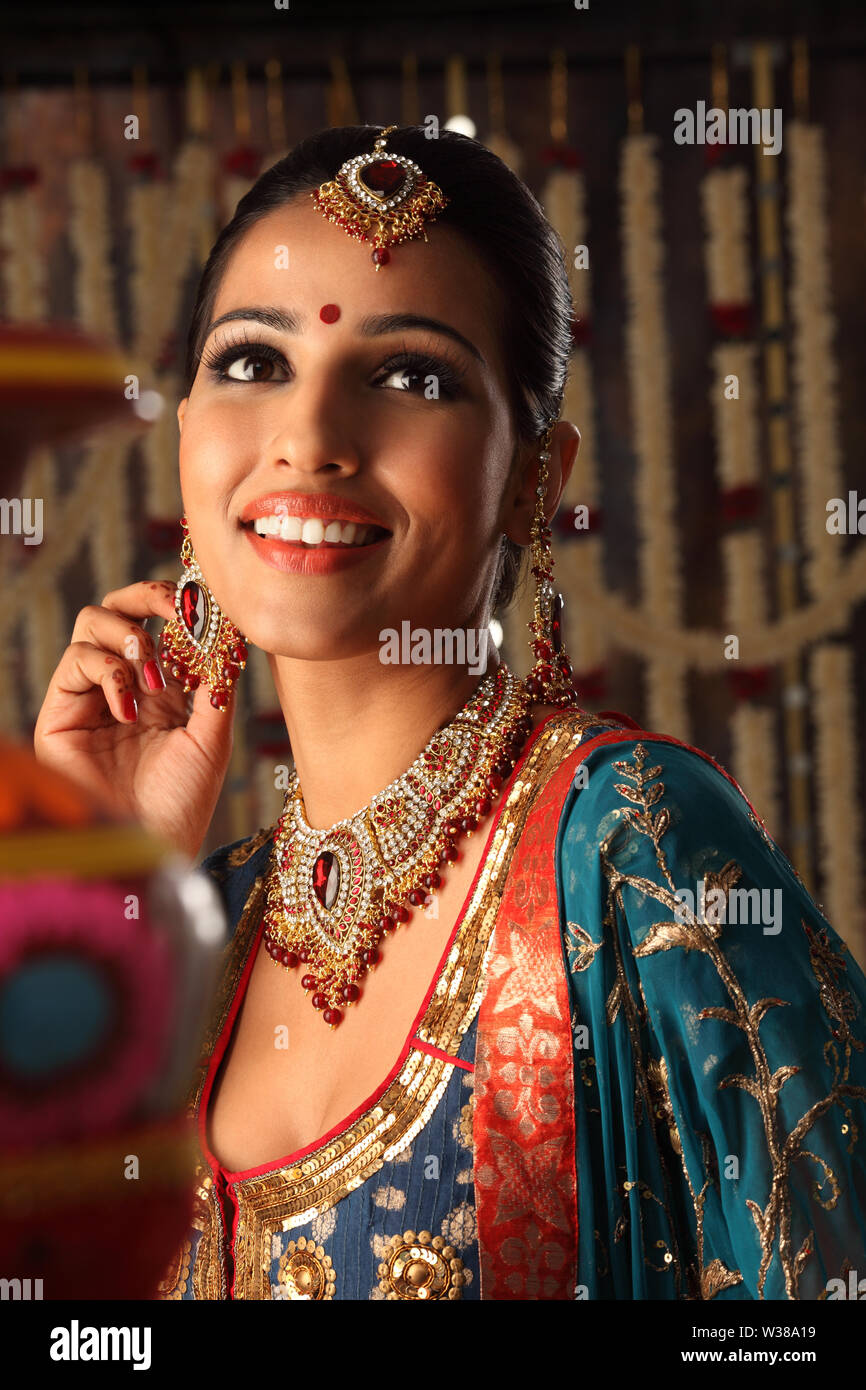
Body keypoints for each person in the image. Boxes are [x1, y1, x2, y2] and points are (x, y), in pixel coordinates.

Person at [33, 124, 866, 1302]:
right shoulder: (198, 917)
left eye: (409, 376)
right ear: (185, 440)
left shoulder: (630, 850)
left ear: (535, 474)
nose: (309, 439)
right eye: (253, 363)